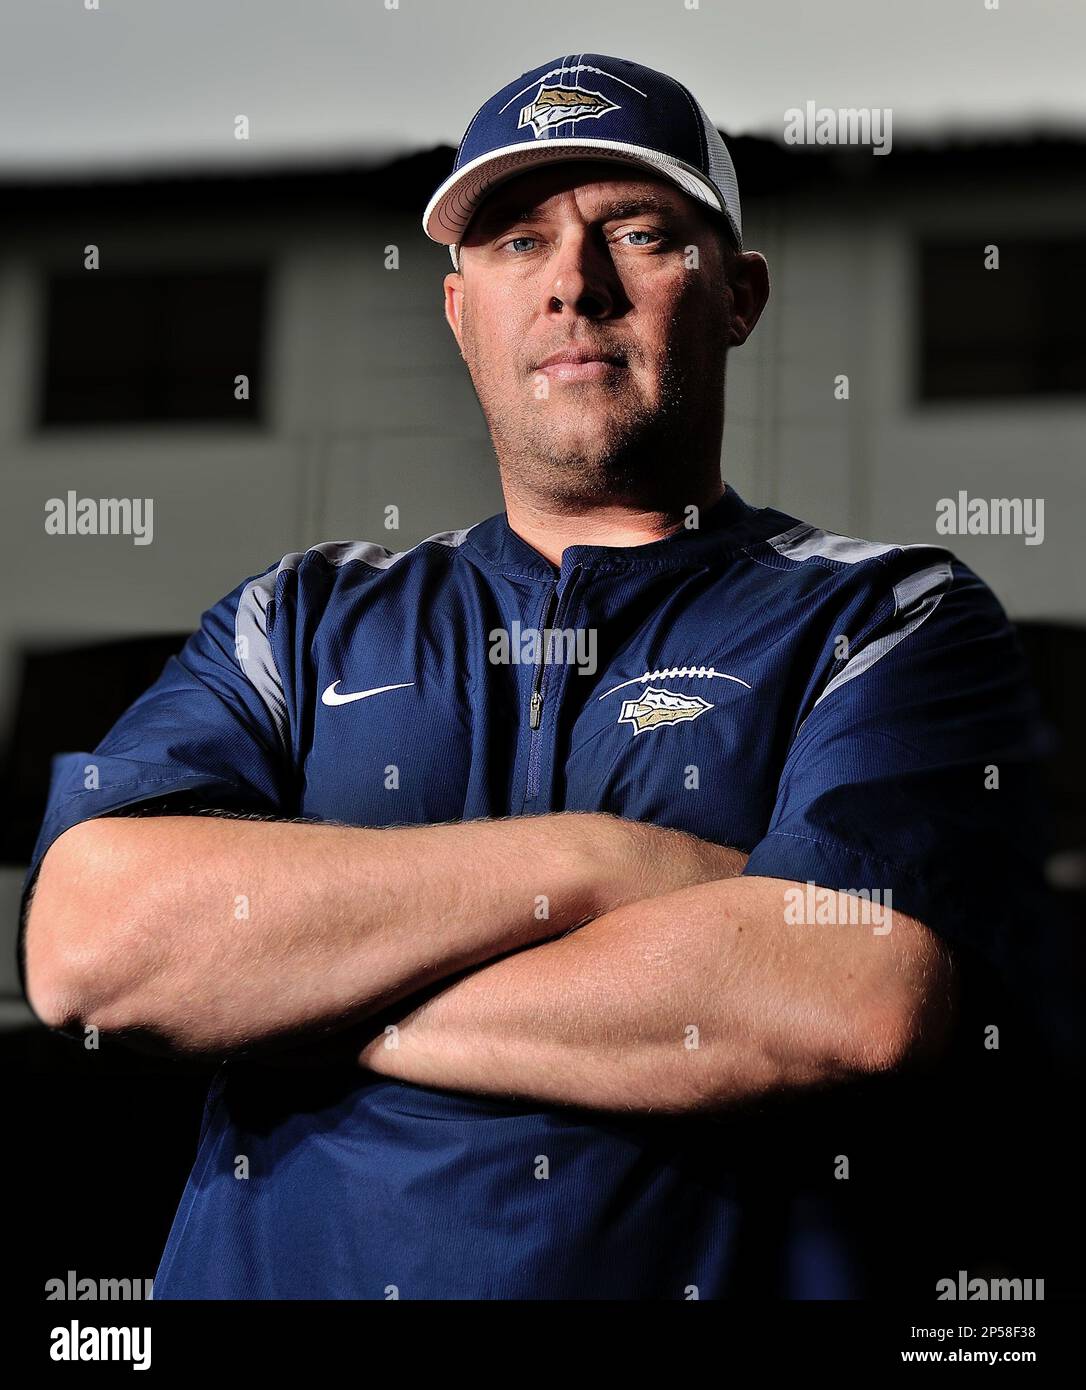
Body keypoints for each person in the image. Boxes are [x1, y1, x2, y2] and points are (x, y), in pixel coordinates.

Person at [21, 53, 1047, 1299]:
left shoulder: (884, 614)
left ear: (737, 294)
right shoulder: (299, 618)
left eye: (639, 231)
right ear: (460, 313)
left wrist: (294, 996)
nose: (574, 284)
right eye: (516, 241)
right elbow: (90, 943)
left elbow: (850, 990)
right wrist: (604, 865)